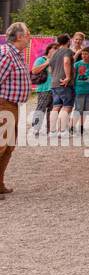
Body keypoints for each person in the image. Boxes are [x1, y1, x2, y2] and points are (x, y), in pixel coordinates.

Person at [0, 21, 33, 197]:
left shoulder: (16, 54)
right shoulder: (7, 55)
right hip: (3, 104)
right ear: (19, 36)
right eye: (28, 33)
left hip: (11, 105)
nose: (29, 37)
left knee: (8, 146)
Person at [46, 34, 75, 136]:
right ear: (68, 41)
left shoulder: (54, 53)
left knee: (56, 106)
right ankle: (63, 131)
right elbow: (66, 61)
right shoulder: (67, 51)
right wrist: (68, 77)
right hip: (64, 83)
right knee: (66, 106)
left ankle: (52, 131)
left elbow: (50, 68)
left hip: (54, 83)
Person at [72, 47, 89, 137]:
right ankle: (72, 127)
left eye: (86, 54)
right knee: (78, 109)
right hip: (79, 90)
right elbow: (73, 77)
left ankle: (82, 127)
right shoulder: (77, 65)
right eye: (82, 54)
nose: (84, 56)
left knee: (86, 110)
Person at [29, 49, 50, 136]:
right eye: (53, 49)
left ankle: (50, 129)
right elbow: (34, 71)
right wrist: (47, 63)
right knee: (41, 109)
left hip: (56, 89)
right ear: (48, 51)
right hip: (43, 88)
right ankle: (35, 128)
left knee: (52, 110)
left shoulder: (57, 60)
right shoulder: (41, 59)